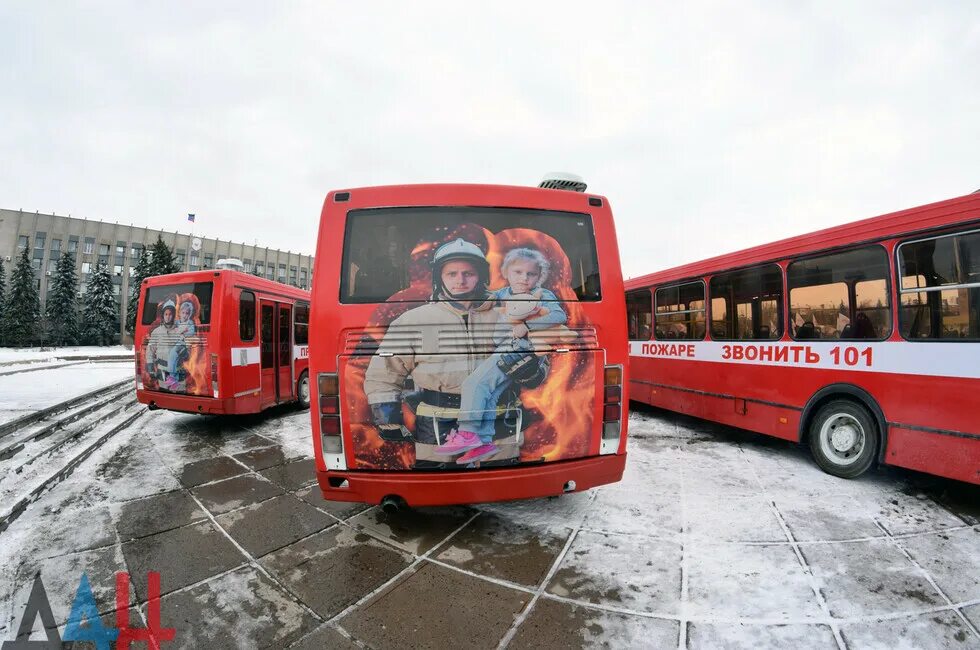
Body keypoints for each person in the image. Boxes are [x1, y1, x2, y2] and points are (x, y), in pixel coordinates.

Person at [364, 238, 506, 464]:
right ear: (439, 278)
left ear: (481, 276)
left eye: (468, 273)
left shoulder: (506, 315)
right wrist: (388, 419)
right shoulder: (413, 321)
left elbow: (536, 363)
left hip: (499, 422)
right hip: (437, 425)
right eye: (452, 274)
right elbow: (384, 372)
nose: (460, 280)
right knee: (439, 481)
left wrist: (533, 372)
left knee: (499, 480)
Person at [437, 247, 567, 464]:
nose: (524, 278)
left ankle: (468, 432)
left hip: (518, 350)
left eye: (531, 274)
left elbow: (559, 315)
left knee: (473, 383)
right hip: (505, 350)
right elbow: (484, 302)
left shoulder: (542, 295)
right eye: (518, 272)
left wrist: (527, 326)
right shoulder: (503, 293)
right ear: (506, 272)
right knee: (491, 393)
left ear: (539, 276)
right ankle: (484, 441)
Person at [163, 299, 197, 390]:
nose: (185, 315)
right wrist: (179, 332)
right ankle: (173, 378)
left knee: (172, 355)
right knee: (171, 357)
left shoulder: (190, 323)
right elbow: (172, 330)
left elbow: (191, 332)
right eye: (183, 312)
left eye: (187, 313)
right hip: (176, 343)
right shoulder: (177, 322)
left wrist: (182, 333)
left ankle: (173, 379)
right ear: (180, 313)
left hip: (184, 345)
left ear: (189, 314)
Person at [145, 299, 179, 388]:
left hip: (177, 370)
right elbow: (150, 351)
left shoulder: (179, 331)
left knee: (179, 392)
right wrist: (150, 367)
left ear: (174, 315)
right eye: (166, 314)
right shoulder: (156, 332)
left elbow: (187, 349)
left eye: (170, 314)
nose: (168, 317)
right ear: (163, 316)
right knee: (164, 392)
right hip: (162, 370)